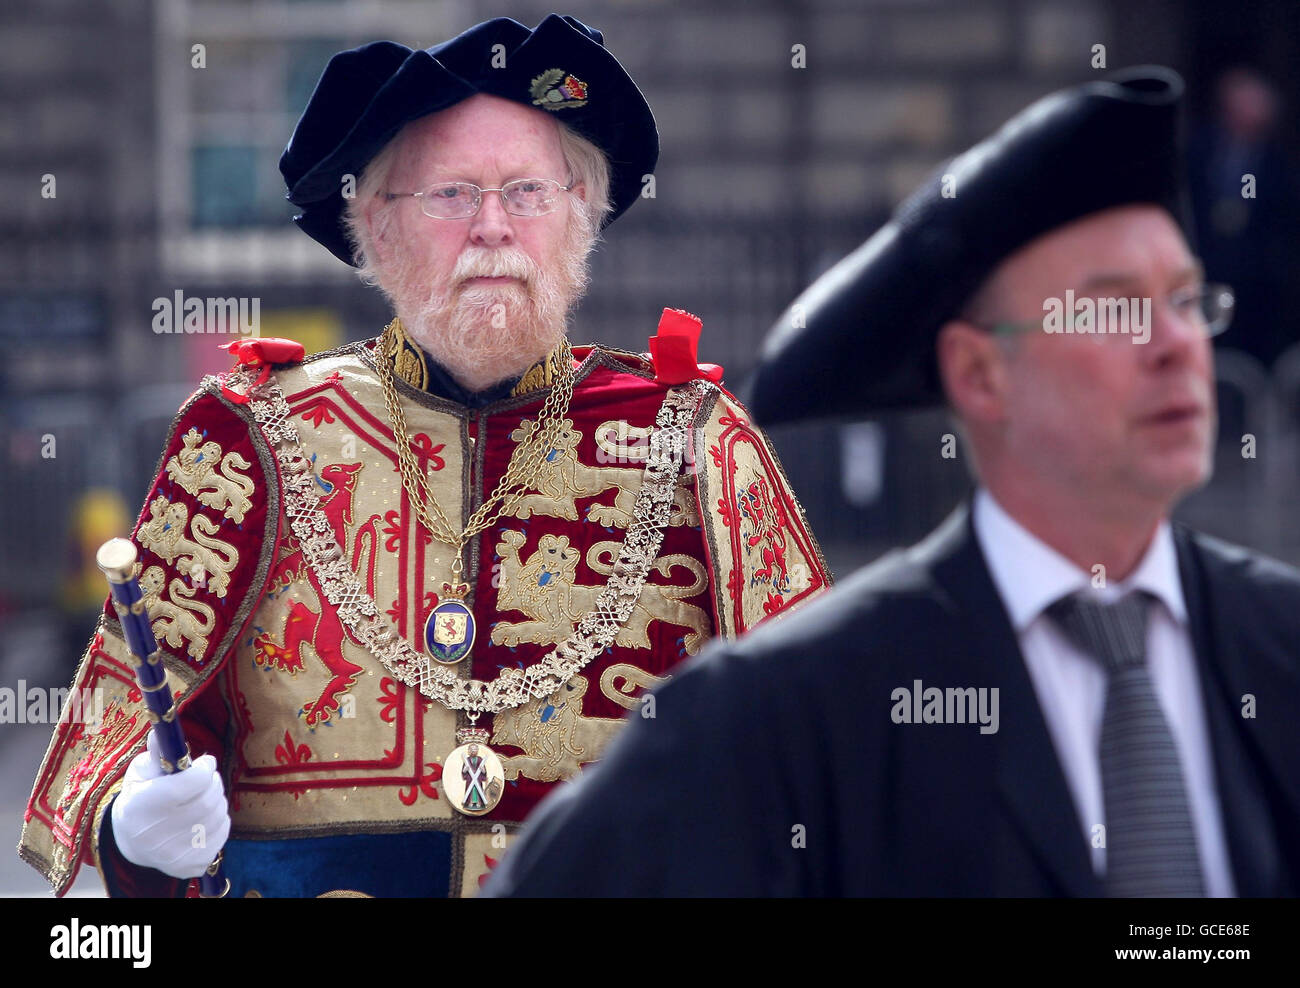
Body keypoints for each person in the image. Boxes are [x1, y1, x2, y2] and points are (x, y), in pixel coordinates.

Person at [19, 14, 830, 898]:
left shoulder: (700, 444)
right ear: (376, 226)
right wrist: (138, 832)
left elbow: (821, 754)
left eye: (528, 191)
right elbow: (135, 734)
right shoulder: (247, 437)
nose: (492, 226)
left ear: (582, 217)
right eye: (449, 194)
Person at [484, 66, 1300, 897]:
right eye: (1117, 309)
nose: (1178, 346)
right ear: (980, 374)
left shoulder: (1279, 648)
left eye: (1190, 301)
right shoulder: (784, 714)